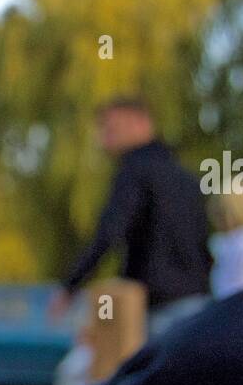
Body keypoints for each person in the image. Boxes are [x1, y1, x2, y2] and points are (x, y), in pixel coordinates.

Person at [49, 97, 212, 337]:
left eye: (110, 129)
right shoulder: (186, 177)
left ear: (140, 124)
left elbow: (110, 231)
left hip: (157, 304)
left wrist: (71, 285)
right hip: (198, 301)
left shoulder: (134, 172)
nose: (103, 139)